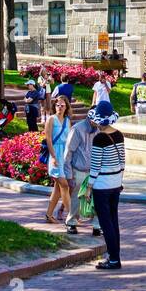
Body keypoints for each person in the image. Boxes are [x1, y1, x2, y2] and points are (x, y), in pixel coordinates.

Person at [87, 100, 125, 270]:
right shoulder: (119, 134)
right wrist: (120, 178)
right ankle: (115, 256)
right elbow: (123, 161)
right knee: (114, 221)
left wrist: (89, 187)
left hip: (102, 185)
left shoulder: (99, 139)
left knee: (105, 223)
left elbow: (95, 166)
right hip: (116, 183)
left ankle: (113, 259)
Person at [62, 106, 100, 237]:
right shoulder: (77, 129)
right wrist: (69, 174)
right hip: (78, 169)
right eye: (97, 120)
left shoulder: (100, 129)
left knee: (97, 198)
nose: (99, 123)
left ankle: (96, 225)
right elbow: (68, 153)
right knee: (77, 197)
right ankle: (71, 222)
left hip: (94, 170)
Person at [43, 95, 73, 224]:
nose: (59, 107)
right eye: (57, 105)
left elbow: (70, 139)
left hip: (65, 156)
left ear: (66, 107)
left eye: (62, 105)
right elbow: (48, 139)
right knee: (64, 185)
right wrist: (54, 156)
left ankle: (49, 215)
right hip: (55, 154)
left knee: (57, 189)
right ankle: (72, 216)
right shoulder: (51, 119)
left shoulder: (67, 121)